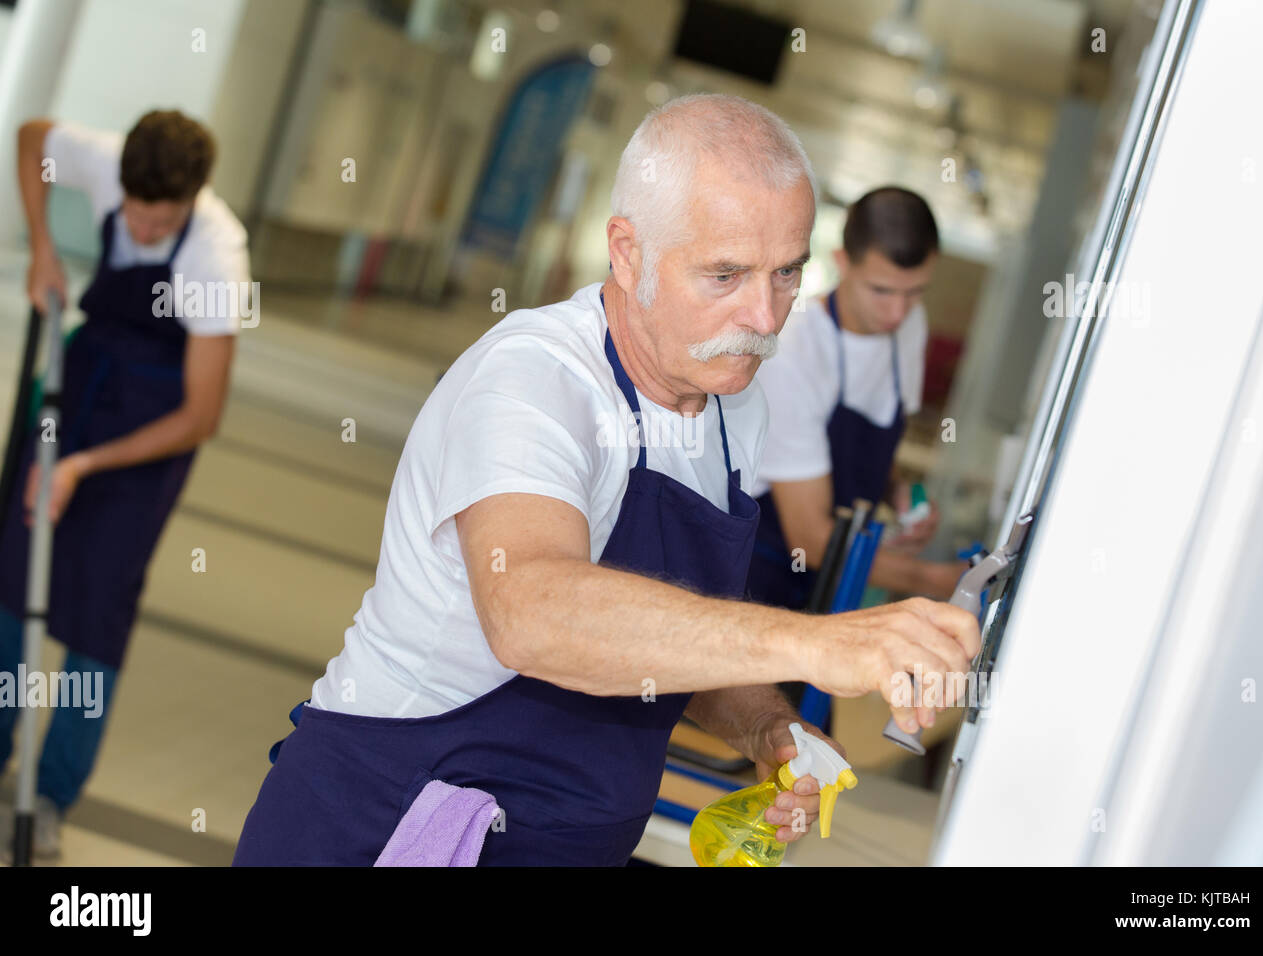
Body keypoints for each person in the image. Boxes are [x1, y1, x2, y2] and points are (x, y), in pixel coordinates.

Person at [233, 94, 979, 867]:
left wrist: (767, 726)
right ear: (627, 252)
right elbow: (534, 613)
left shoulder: (733, 410)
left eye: (787, 272)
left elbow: (665, 640)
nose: (763, 314)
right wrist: (815, 644)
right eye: (724, 274)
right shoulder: (535, 379)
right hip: (391, 826)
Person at [0, 110, 249, 857]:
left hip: (153, 427)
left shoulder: (217, 254)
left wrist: (82, 466)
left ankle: (50, 795)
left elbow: (202, 414)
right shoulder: (113, 162)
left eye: (160, 215)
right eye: (133, 208)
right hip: (78, 383)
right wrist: (43, 247)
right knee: (13, 574)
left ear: (194, 199)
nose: (140, 226)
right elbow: (32, 137)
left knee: (99, 608)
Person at [746, 187, 968, 612]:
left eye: (916, 291)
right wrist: (937, 580)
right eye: (881, 290)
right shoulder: (794, 350)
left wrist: (900, 493)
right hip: (763, 570)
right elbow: (809, 536)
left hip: (835, 577)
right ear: (842, 262)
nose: (898, 313)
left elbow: (866, 451)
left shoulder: (909, 326)